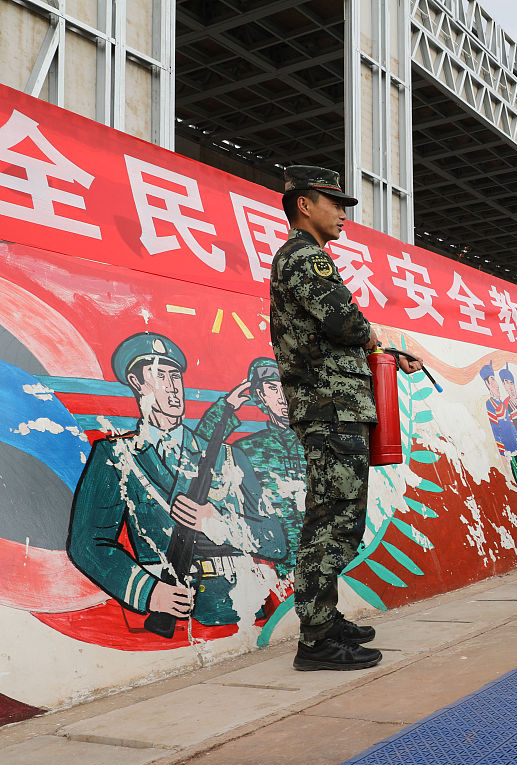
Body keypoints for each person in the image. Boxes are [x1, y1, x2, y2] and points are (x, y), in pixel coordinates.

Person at [270, 165, 421, 671]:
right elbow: (344, 321)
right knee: (331, 520)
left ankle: (324, 619)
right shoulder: (304, 259)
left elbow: (343, 332)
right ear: (304, 204)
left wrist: (379, 345)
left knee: (341, 517)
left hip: (337, 409)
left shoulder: (310, 257)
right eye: (334, 203)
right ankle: (314, 641)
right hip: (329, 410)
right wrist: (372, 334)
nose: (342, 214)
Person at [68, 334, 285, 634]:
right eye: (160, 375)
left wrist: (219, 523)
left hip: (242, 608)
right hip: (174, 612)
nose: (173, 388)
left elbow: (275, 540)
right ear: (136, 381)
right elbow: (87, 544)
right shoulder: (116, 456)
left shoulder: (227, 456)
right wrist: (150, 593)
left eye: (175, 376)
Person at [196, 357, 306, 578]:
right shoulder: (246, 448)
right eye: (273, 389)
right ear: (261, 396)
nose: (283, 397)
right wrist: (225, 409)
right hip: (277, 569)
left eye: (287, 388)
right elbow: (197, 452)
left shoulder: (314, 442)